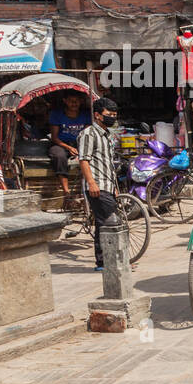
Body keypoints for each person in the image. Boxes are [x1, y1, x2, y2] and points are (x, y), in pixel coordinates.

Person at [77, 97, 121, 272]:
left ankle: (108, 261)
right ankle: (106, 261)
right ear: (97, 115)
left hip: (107, 184)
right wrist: (91, 182)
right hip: (97, 185)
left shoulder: (107, 135)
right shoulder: (89, 134)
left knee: (104, 223)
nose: (112, 117)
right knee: (109, 222)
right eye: (109, 114)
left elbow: (108, 163)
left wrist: (114, 186)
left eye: (114, 115)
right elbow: (83, 160)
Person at [49, 92, 90, 195]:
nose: (74, 103)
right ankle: (66, 191)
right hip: (61, 144)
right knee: (59, 156)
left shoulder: (86, 115)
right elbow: (54, 138)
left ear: (81, 101)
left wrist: (80, 148)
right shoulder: (56, 114)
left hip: (79, 144)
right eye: (71, 101)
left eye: (77, 101)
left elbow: (86, 135)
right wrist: (69, 148)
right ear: (65, 101)